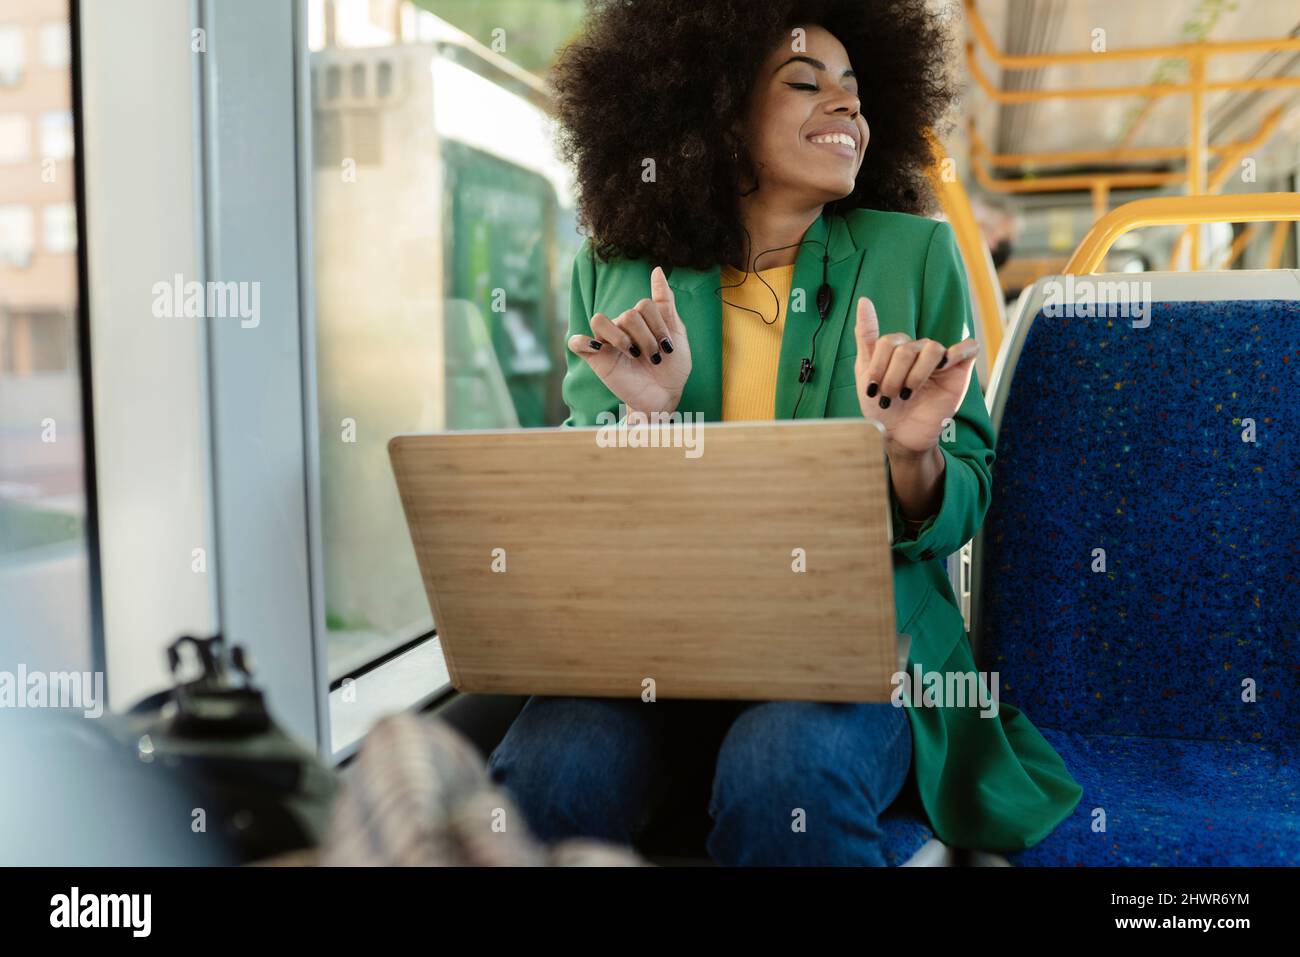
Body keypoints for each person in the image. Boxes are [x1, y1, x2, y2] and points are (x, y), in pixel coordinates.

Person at [487, 0, 1082, 865]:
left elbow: (969, 496)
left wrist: (911, 450)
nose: (847, 106)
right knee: (547, 772)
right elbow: (595, 523)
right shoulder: (614, 271)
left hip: (861, 649)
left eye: (855, 90)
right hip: (663, 645)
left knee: (784, 769)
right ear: (718, 110)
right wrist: (644, 420)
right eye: (805, 82)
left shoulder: (914, 256)